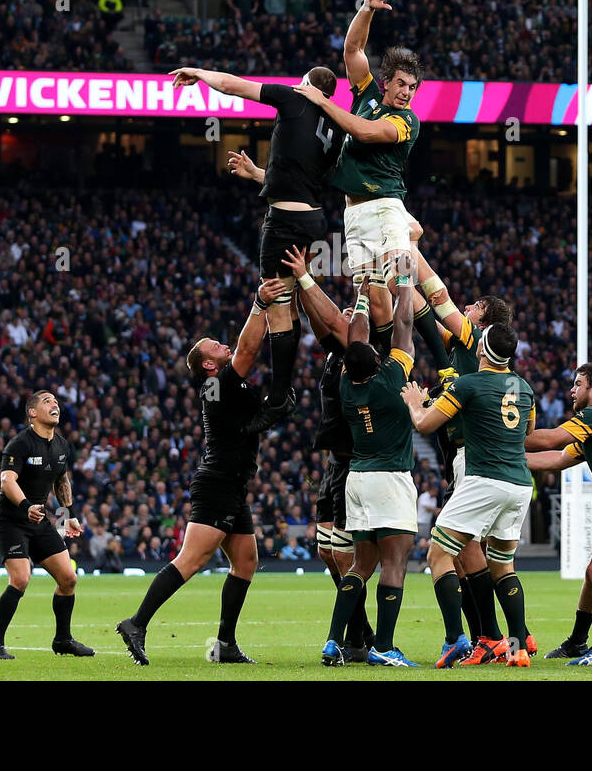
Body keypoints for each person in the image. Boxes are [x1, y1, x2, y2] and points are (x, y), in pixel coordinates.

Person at [116, 279, 285, 667]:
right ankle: (136, 623)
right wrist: (259, 303)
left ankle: (225, 644)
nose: (222, 345)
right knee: (191, 560)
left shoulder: (215, 385)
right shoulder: (219, 379)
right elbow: (247, 347)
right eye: (214, 346)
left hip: (231, 483)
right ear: (209, 364)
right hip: (218, 483)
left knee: (245, 562)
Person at [171, 63, 340, 431]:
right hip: (313, 220)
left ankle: (280, 397)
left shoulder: (293, 98)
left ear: (306, 84)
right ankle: (296, 384)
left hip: (283, 222)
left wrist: (199, 73)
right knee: (291, 301)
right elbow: (298, 177)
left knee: (277, 305)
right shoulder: (335, 123)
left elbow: (233, 86)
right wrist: (258, 175)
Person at [403, 323, 537, 668]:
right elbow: (528, 432)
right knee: (503, 565)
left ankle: (456, 639)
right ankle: (518, 646)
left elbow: (424, 424)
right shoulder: (524, 388)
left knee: (438, 553)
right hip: (521, 483)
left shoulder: (469, 383)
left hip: (485, 478)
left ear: (480, 350)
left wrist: (415, 403)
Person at [294, 0, 422, 340]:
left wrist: (323, 102)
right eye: (400, 84)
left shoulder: (406, 121)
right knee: (372, 299)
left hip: (384, 208)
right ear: (386, 82)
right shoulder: (367, 93)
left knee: (402, 283)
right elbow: (352, 48)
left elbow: (365, 133)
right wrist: (366, 9)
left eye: (412, 88)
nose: (405, 92)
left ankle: (404, 359)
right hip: (354, 212)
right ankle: (379, 359)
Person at [320, 266, 418, 668]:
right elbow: (404, 325)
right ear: (377, 362)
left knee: (361, 565)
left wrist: (362, 295)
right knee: (394, 563)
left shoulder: (347, 383)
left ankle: (332, 641)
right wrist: (406, 285)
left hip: (356, 478)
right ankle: (385, 645)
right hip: (390, 476)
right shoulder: (392, 380)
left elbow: (357, 337)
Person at [281, 245, 374, 661]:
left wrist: (304, 277)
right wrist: (295, 289)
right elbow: (324, 320)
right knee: (325, 552)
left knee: (342, 553)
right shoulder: (336, 353)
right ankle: (362, 631)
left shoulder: (362, 356)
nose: (346, 321)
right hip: (335, 460)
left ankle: (357, 638)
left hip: (354, 462)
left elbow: (336, 319)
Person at [525, 362, 592, 664]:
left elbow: (550, 440)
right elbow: (555, 459)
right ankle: (580, 642)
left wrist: (502, 436)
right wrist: (507, 456)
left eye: (578, 384)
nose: (571, 390)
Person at [0, 390, 93, 660]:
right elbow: (7, 481)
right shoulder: (19, 444)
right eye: (47, 401)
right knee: (21, 578)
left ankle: (63, 640)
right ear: (32, 413)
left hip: (40, 520)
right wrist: (26, 507)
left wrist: (69, 514)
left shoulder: (61, 445)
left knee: (68, 579)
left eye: (56, 401)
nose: (54, 404)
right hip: (11, 520)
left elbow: (61, 481)